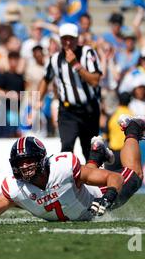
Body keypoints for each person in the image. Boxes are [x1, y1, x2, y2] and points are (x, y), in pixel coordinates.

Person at [0, 115, 145, 225]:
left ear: (42, 160)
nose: (25, 166)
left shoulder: (61, 167)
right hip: (79, 199)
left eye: (29, 160)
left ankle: (131, 129)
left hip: (97, 198)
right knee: (78, 180)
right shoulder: (16, 189)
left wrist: (109, 197)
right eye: (20, 162)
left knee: (134, 176)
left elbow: (113, 178)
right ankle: (96, 153)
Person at [38, 23, 102, 161]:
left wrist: (76, 65)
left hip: (88, 110)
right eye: (64, 38)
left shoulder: (87, 53)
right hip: (68, 112)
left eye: (71, 38)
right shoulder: (55, 59)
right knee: (66, 148)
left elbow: (95, 80)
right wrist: (38, 100)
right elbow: (45, 79)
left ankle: (93, 180)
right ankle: (68, 181)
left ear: (77, 38)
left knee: (89, 150)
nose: (68, 42)